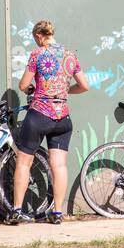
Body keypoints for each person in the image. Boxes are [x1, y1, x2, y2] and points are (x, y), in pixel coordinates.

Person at [11, 19, 88, 224]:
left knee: (24, 162)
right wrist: (65, 91)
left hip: (39, 114)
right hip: (63, 117)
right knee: (59, 166)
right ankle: (56, 212)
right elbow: (84, 85)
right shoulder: (70, 55)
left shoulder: (38, 54)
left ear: (39, 36)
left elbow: (24, 85)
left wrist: (31, 88)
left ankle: (17, 210)